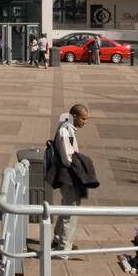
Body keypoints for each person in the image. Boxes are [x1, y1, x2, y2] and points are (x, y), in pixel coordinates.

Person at [48, 104, 90, 255]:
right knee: (71, 212)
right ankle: (63, 247)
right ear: (75, 116)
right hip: (69, 176)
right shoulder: (66, 132)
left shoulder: (66, 127)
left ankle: (58, 240)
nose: (85, 122)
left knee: (66, 207)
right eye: (84, 118)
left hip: (68, 176)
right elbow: (67, 159)